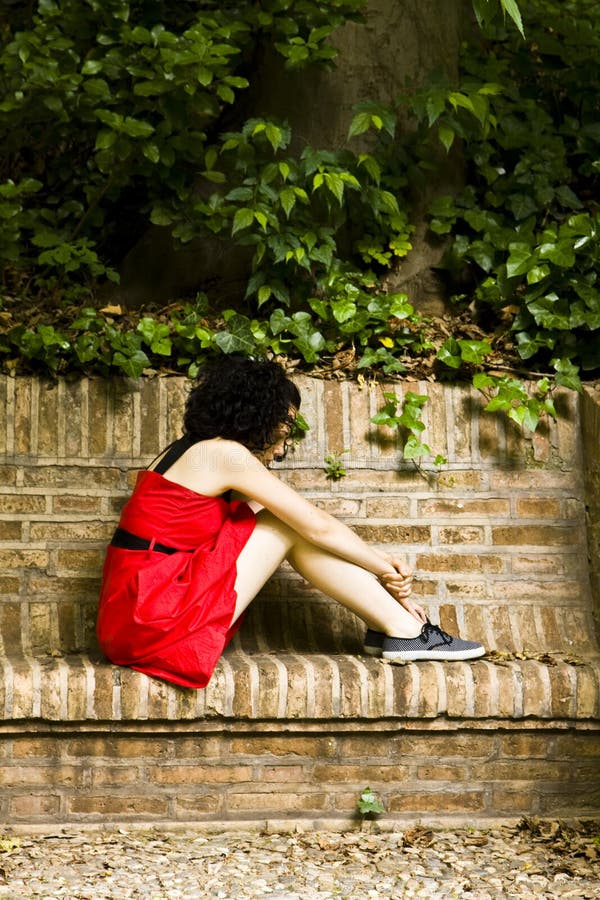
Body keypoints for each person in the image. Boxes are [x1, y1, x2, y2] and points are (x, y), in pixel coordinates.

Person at [97, 355, 484, 688]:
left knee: (274, 520)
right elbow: (315, 526)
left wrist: (399, 599)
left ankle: (394, 627)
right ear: (254, 417)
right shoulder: (223, 456)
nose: (283, 448)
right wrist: (388, 570)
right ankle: (404, 633)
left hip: (134, 611)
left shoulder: (186, 453)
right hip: (150, 616)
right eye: (282, 431)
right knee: (283, 523)